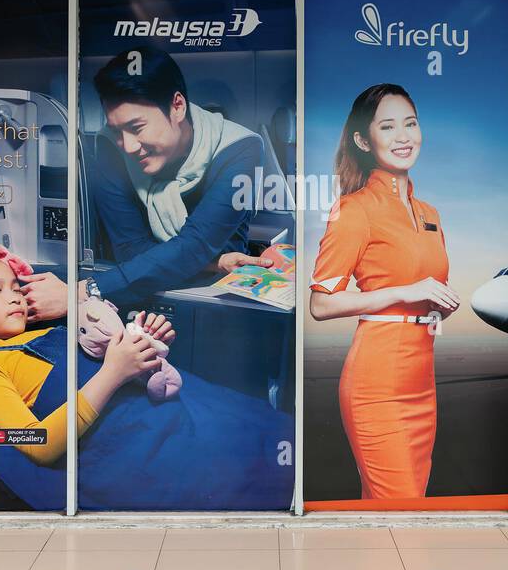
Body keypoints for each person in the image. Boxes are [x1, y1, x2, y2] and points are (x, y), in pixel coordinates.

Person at [0, 240, 172, 508]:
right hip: (133, 443)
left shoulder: (53, 330)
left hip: (157, 410)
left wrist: (146, 343)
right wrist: (114, 371)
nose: (14, 297)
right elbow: (39, 445)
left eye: (16, 288)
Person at [308, 84, 460, 500]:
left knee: (396, 511)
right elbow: (320, 304)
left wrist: (435, 303)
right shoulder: (353, 210)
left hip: (422, 383)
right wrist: (407, 291)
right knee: (399, 510)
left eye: (410, 124)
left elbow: (420, 291)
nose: (403, 136)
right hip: (377, 385)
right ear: (363, 139)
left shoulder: (430, 214)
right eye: (388, 126)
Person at [77, 44, 271, 306]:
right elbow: (129, 250)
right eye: (117, 130)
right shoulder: (110, 147)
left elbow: (195, 245)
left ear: (177, 106)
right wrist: (214, 262)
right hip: (139, 290)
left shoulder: (240, 148)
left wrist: (84, 292)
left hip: (216, 293)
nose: (128, 146)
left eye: (137, 127)